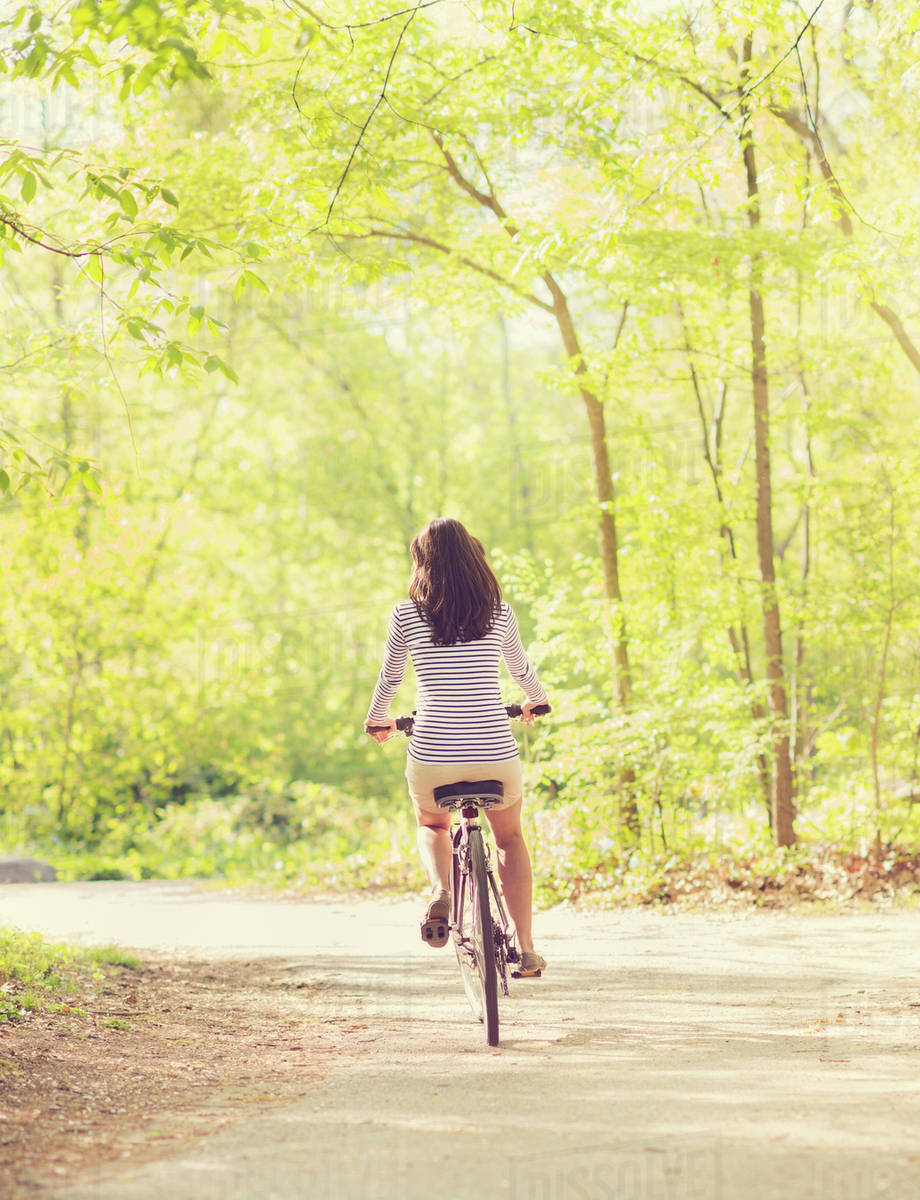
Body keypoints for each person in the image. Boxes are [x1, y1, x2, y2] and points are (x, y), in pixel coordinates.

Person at [364, 517, 549, 977]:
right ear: (474, 559)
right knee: (509, 838)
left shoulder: (406, 614)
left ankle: (441, 891)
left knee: (433, 825)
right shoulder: (499, 613)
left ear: (422, 563)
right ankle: (526, 948)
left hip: (433, 754)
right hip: (494, 752)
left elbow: (390, 678)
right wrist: (536, 701)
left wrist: (377, 721)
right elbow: (522, 670)